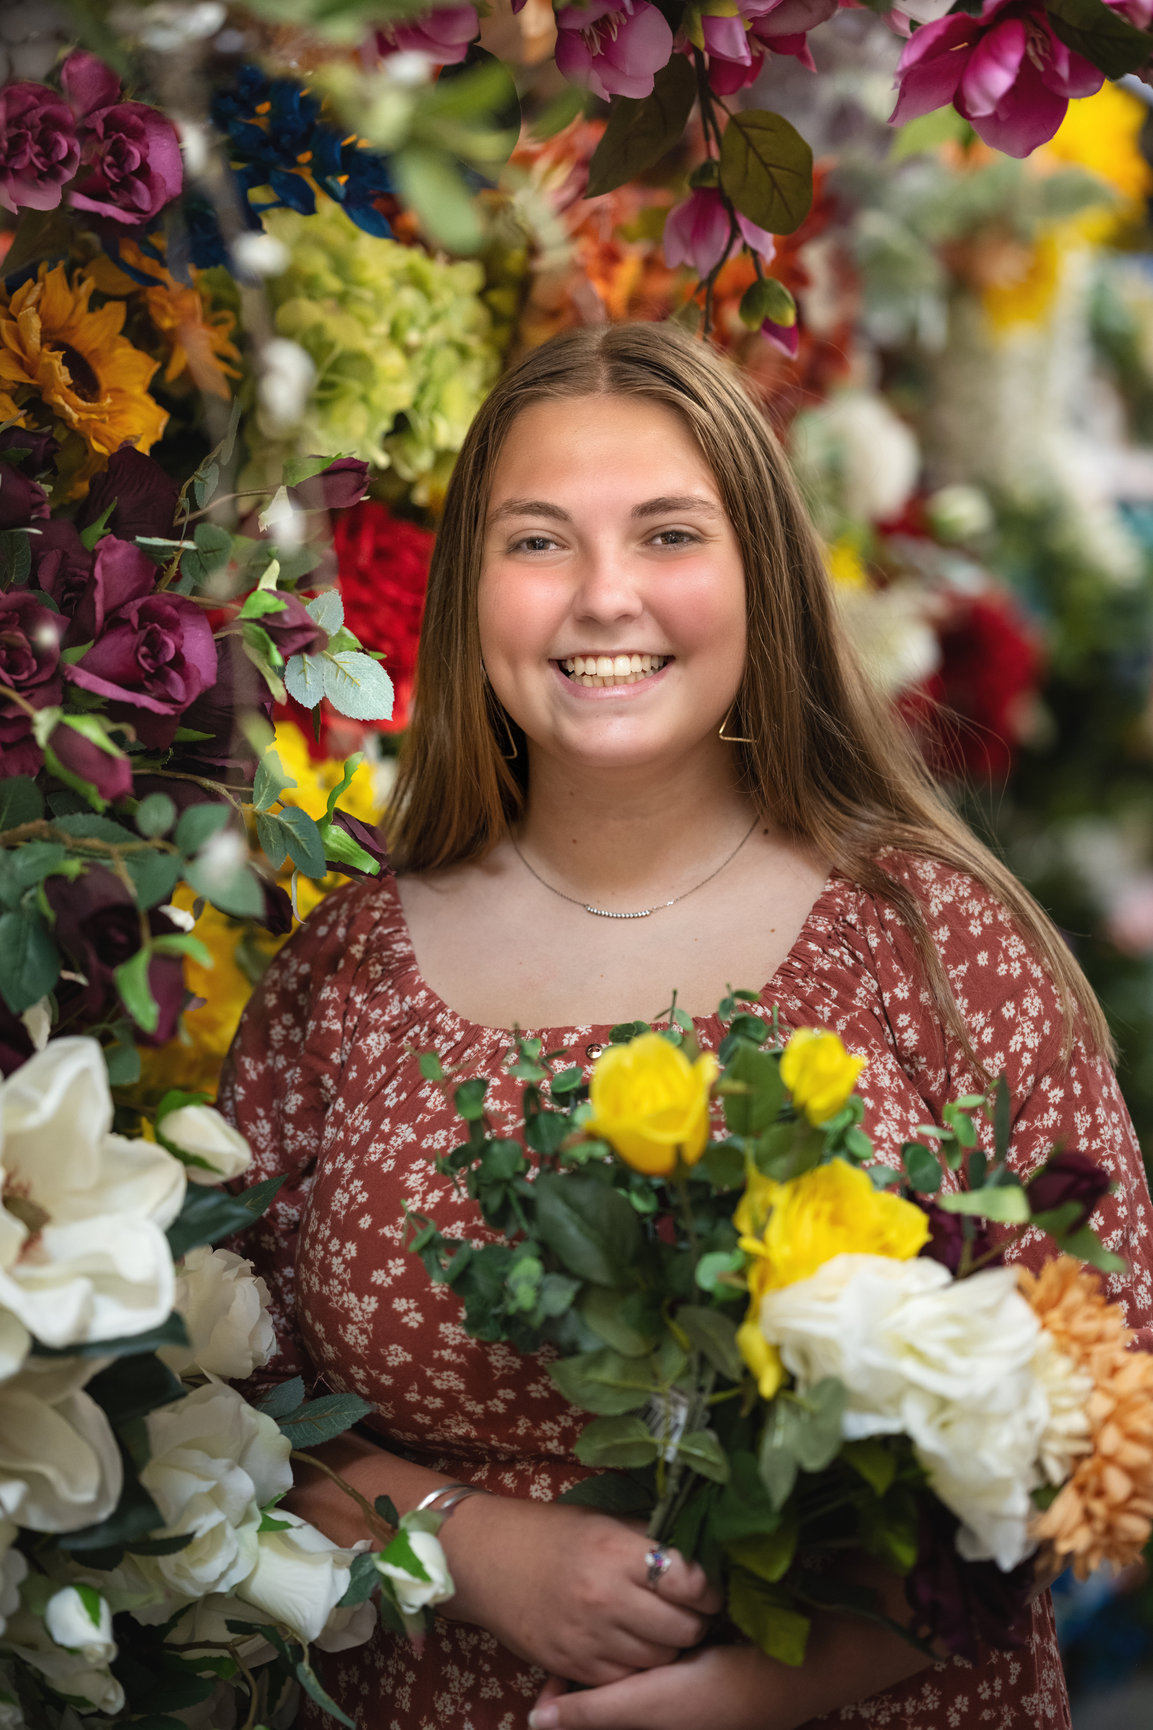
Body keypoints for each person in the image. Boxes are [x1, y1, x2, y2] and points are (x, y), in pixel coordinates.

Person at [221, 321, 1153, 1730]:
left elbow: (1107, 1404)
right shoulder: (340, 977)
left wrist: (755, 1689)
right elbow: (231, 1405)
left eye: (667, 534)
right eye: (539, 542)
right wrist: (469, 1544)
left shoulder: (927, 940)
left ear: (760, 575)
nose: (606, 596)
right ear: (469, 590)